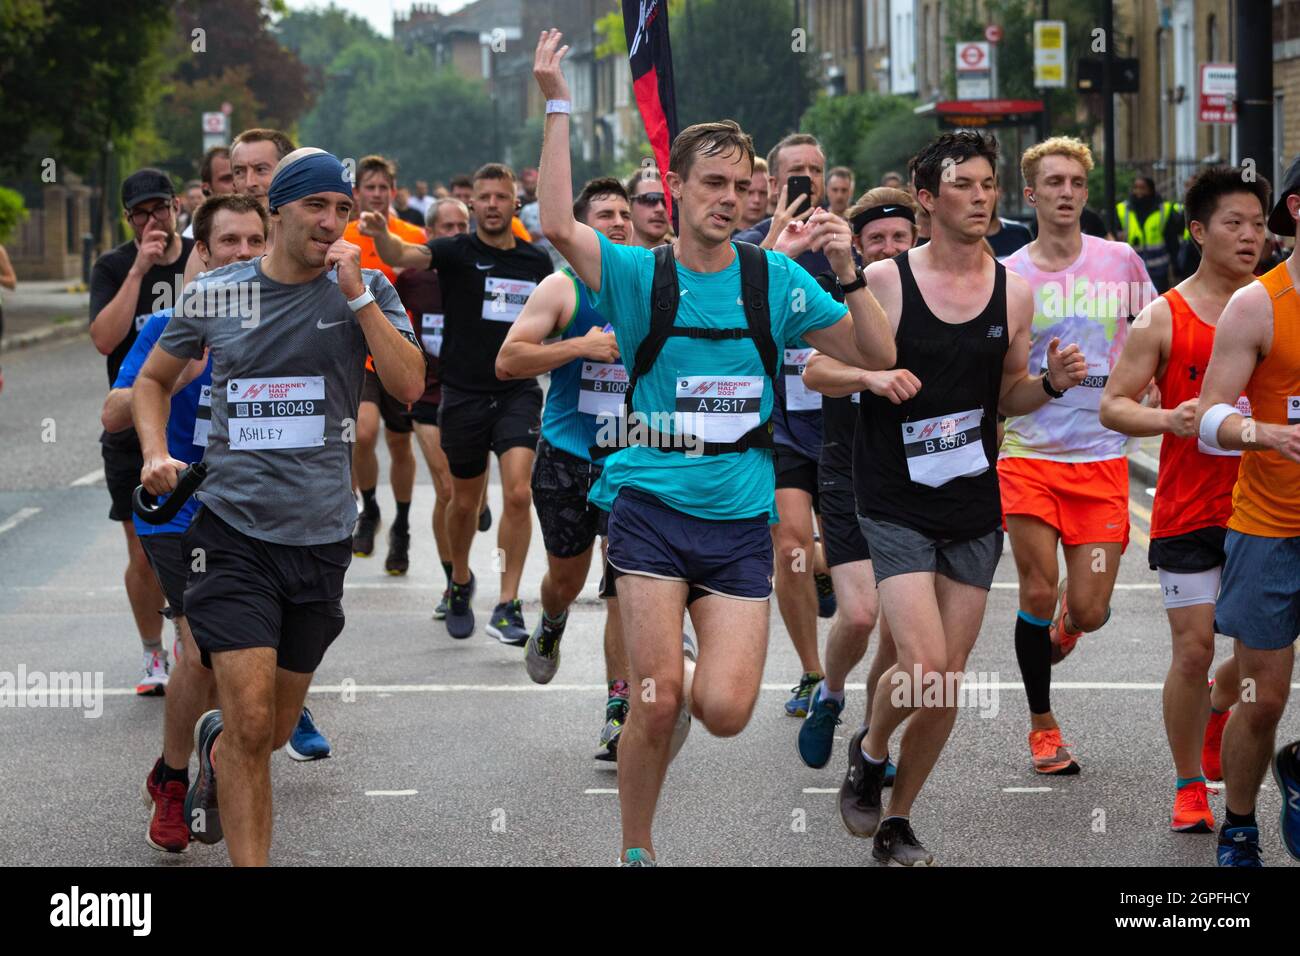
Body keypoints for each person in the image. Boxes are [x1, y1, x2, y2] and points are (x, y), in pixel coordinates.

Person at [533, 29, 896, 865]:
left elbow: (876, 355)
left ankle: (673, 672)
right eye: (714, 184)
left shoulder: (777, 278)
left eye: (744, 187)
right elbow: (556, 220)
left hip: (739, 517)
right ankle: (636, 848)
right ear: (676, 185)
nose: (729, 199)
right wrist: (557, 100)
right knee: (656, 701)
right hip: (651, 506)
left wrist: (845, 268)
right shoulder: (634, 273)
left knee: (726, 712)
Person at [134, 148, 425, 866]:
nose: (332, 223)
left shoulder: (365, 289)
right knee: (254, 714)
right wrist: (151, 452)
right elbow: (152, 381)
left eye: (344, 210)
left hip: (323, 535)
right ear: (279, 212)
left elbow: (410, 386)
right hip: (231, 531)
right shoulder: (217, 295)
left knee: (267, 729)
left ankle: (218, 741)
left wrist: (360, 296)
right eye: (317, 208)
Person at [843, 130, 1087, 865]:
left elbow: (1007, 394)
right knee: (924, 666)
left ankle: (898, 820)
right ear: (926, 198)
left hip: (974, 498)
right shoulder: (886, 282)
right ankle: (873, 746)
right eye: (965, 185)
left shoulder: (1016, 290)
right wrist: (871, 378)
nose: (982, 197)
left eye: (989, 185)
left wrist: (1050, 384)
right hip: (892, 493)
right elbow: (820, 368)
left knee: (943, 684)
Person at [100, 194, 324, 852]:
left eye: (256, 240)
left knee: (251, 664)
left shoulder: (290, 324)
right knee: (202, 642)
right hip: (182, 515)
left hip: (264, 516)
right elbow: (115, 411)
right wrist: (168, 386)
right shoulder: (177, 322)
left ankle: (212, 748)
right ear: (203, 252)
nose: (244, 253)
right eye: (228, 242)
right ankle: (176, 782)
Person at [1101, 165, 1268, 834]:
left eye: (1258, 224)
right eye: (1234, 223)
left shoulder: (1278, 306)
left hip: (1265, 511)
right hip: (1188, 508)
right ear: (1198, 231)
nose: (1250, 236)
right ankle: (1189, 784)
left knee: (1257, 659)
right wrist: (1167, 419)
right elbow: (1114, 406)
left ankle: (1218, 709)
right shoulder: (1160, 317)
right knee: (1194, 649)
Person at [998, 137, 1154, 778]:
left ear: (1086, 194)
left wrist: (1157, 388)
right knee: (1037, 589)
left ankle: (1067, 625)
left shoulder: (1120, 262)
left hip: (1101, 456)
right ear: (1031, 194)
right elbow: (1005, 388)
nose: (1066, 193)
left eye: (1076, 183)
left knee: (1088, 609)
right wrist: (1051, 381)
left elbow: (1154, 338)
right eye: (1053, 183)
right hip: (1030, 454)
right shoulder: (1009, 275)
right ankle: (1042, 726)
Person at [362, 162, 553, 643]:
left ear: (516, 204)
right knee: (463, 501)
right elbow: (402, 252)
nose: (491, 204)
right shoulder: (453, 251)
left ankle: (508, 604)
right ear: (473, 205)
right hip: (463, 393)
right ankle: (462, 580)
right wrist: (382, 234)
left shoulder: (535, 263)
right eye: (483, 197)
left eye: (500, 197)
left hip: (516, 391)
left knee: (516, 493)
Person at [496, 176, 634, 757]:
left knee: (624, 584)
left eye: (626, 213)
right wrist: (578, 347)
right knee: (567, 579)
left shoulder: (652, 286)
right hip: (567, 456)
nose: (621, 222)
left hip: (632, 457)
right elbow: (509, 360)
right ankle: (551, 621)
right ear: (578, 228)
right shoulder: (563, 287)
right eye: (605, 215)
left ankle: (618, 708)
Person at [1193, 153, 1300, 866]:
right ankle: (1237, 822)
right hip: (1270, 529)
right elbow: (1207, 420)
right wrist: (1259, 430)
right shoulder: (1257, 304)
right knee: (1263, 696)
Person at [798, 186, 921, 779]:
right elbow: (816, 370)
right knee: (863, 614)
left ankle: (874, 739)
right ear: (857, 245)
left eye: (900, 237)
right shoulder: (837, 298)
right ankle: (832, 694)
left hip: (913, 483)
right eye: (876, 239)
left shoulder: (934, 299)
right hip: (847, 472)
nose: (890, 247)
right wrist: (870, 378)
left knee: (900, 634)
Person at [736, 132, 840, 717]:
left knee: (853, 554)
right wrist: (784, 248)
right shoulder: (753, 247)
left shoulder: (845, 246)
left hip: (843, 426)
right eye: (794, 170)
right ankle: (811, 671)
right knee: (791, 544)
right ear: (774, 182)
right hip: (778, 429)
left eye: (814, 169)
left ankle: (830, 569)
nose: (806, 177)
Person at [89, 168, 197, 696]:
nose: (153, 219)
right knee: (141, 551)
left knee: (194, 541)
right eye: (140, 212)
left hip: (191, 421)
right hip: (133, 422)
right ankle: (153, 653)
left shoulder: (201, 255)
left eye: (160, 207)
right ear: (128, 218)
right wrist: (139, 269)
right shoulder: (113, 266)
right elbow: (105, 339)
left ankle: (189, 637)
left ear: (177, 205)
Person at [341, 155, 428, 571]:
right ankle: (370, 507)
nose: (375, 194)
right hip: (358, 349)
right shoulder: (343, 234)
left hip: (400, 348)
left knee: (399, 442)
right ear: (357, 192)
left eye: (382, 188)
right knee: (362, 429)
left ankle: (403, 526)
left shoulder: (410, 233)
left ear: (393, 191)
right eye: (368, 188)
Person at [1117, 175, 1182, 293]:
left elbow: (1172, 240)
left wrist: (1175, 263)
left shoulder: (1164, 210)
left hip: (1158, 271)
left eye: (1143, 188)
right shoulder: (1122, 209)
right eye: (1136, 188)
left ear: (1151, 190)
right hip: (1132, 270)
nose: (1138, 191)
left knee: (1156, 306)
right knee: (1136, 307)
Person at [182, 147, 237, 239]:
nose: (236, 184)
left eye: (239, 174)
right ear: (207, 188)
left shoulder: (265, 226)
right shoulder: (193, 238)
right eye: (226, 179)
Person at [625, 167, 671, 248]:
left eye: (666, 201)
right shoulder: (614, 258)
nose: (660, 209)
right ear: (629, 205)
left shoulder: (685, 259)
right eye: (650, 199)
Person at [984, 183, 1032, 258]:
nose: (981, 197)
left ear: (999, 192)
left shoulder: (1020, 233)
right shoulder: (961, 242)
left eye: (986, 187)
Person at [734, 157, 769, 233]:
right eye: (749, 192)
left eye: (763, 192)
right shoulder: (720, 236)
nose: (757, 200)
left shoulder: (781, 232)